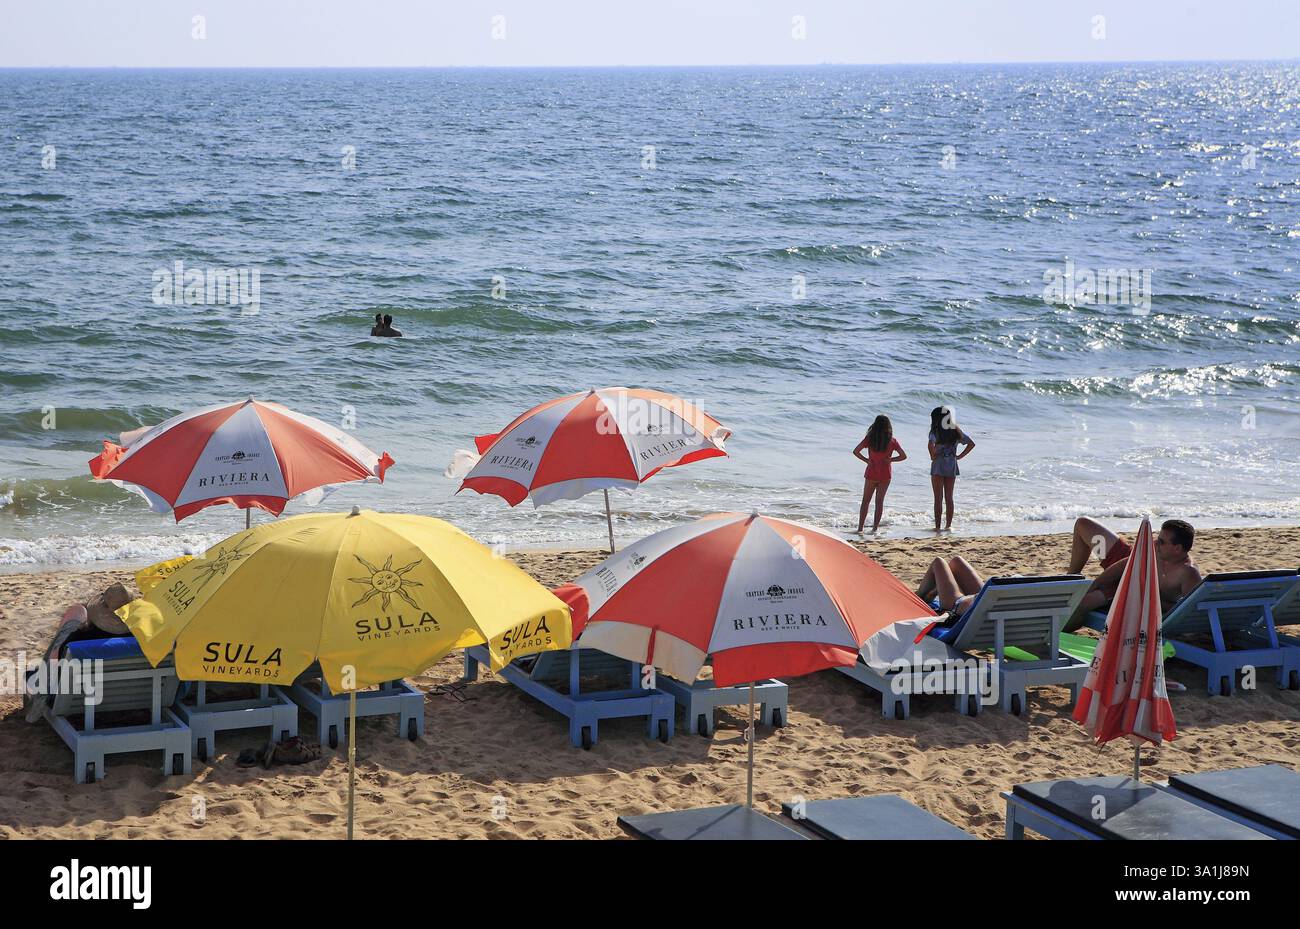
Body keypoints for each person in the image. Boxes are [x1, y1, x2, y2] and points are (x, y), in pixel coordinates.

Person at [1065, 517, 1202, 630]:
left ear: (1177, 548)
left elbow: (1188, 610)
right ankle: (1070, 578)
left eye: (1161, 541)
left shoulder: (1187, 573)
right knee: (1083, 524)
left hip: (1132, 586)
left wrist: (1151, 599)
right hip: (1130, 559)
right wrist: (1094, 585)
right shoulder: (1157, 550)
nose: (1154, 542)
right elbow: (1123, 565)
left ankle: (1060, 630)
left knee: (1083, 602)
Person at [852, 415, 906, 533]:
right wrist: (891, 460)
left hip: (872, 472)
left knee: (866, 501)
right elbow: (903, 456)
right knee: (879, 502)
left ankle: (860, 528)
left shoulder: (870, 439)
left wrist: (867, 460)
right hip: (885, 473)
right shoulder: (892, 440)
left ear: (875, 425)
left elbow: (856, 451)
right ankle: (874, 528)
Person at [927, 406, 974, 531]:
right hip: (951, 465)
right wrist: (959, 456)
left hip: (938, 466)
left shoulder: (935, 432)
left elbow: (930, 445)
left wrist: (933, 455)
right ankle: (948, 526)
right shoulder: (955, 431)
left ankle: (937, 526)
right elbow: (971, 443)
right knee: (949, 497)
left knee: (938, 498)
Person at [917, 556, 984, 621]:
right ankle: (937, 589)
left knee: (938, 562)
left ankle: (917, 597)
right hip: (983, 597)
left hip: (957, 606)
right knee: (957, 561)